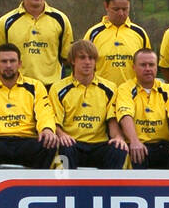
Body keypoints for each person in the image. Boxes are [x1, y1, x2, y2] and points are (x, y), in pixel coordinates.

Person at [0, 43, 59, 168]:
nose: (8, 65)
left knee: (51, 142)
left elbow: (45, 113)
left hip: (27, 140)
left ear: (19, 64)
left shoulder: (35, 86)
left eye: (12, 61)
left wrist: (47, 129)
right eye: (4, 61)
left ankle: (38, 186)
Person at [49, 39, 129, 169]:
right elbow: (54, 122)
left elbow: (112, 121)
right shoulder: (58, 88)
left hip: (99, 145)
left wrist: (118, 137)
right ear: (73, 60)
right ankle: (67, 189)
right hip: (72, 143)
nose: (87, 62)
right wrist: (62, 135)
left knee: (119, 148)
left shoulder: (110, 88)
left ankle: (109, 190)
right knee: (63, 149)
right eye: (82, 57)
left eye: (91, 58)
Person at [0, 0, 73, 87]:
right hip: (18, 88)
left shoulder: (61, 20)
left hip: (51, 88)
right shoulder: (4, 22)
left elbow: (67, 58)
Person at [115, 49, 169, 169]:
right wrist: (134, 141)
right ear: (134, 67)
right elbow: (125, 115)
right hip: (137, 145)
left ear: (157, 67)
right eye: (143, 65)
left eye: (151, 65)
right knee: (135, 155)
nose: (148, 68)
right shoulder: (125, 89)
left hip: (163, 146)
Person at [82, 0, 151, 87]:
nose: (121, 13)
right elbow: (83, 66)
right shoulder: (93, 34)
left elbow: (148, 65)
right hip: (102, 95)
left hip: (132, 95)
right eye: (116, 9)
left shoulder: (140, 34)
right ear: (106, 6)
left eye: (125, 9)